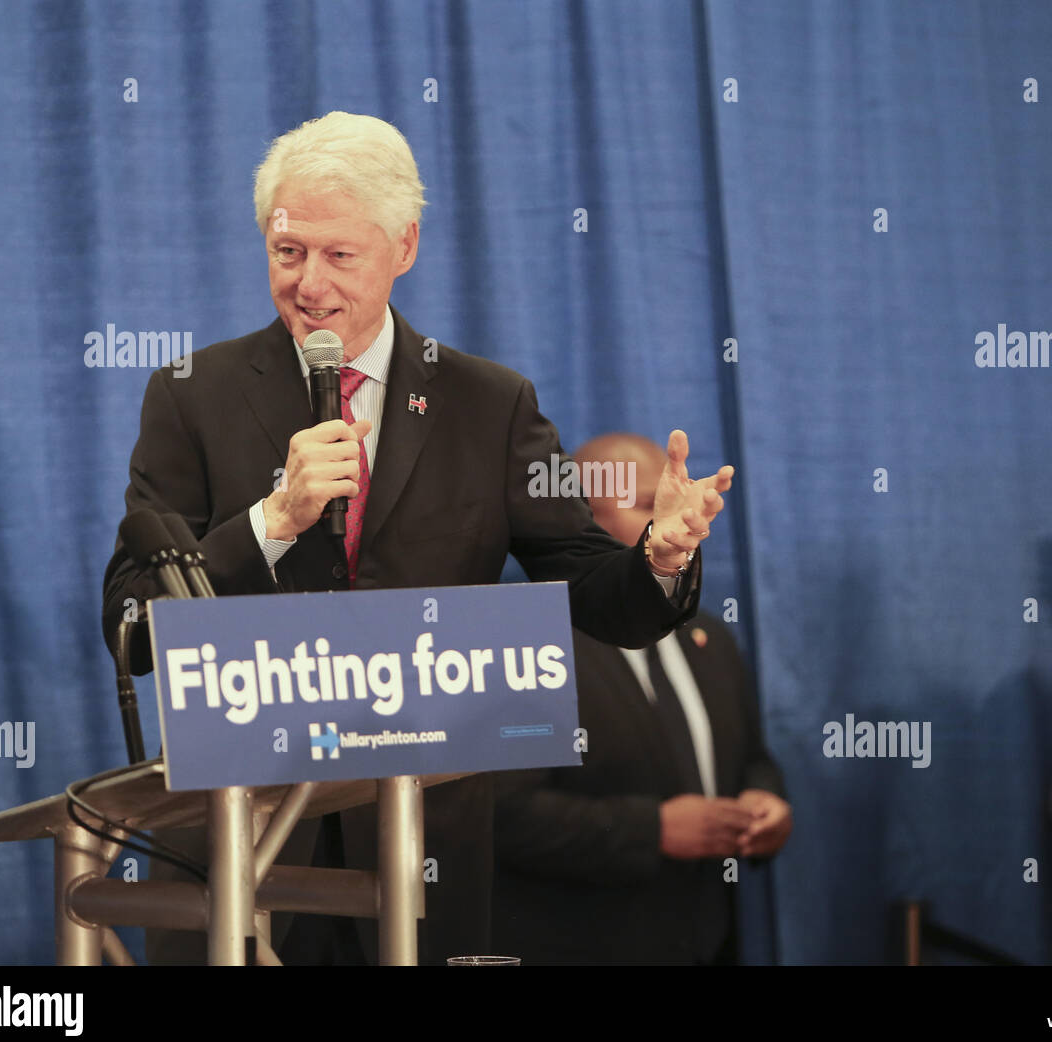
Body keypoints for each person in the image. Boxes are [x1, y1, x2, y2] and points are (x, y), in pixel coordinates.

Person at [100, 112, 735, 964]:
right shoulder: (191, 394)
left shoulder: (489, 402)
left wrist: (659, 559)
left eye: (339, 255)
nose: (310, 284)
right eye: (288, 253)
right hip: (238, 848)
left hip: (421, 850)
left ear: (404, 246)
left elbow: (591, 591)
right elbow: (131, 623)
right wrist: (271, 522)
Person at [491, 433, 790, 964]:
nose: (675, 520)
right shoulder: (525, 648)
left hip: (705, 938)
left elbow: (751, 762)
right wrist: (651, 830)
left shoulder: (709, 638)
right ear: (581, 522)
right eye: (651, 506)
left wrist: (764, 807)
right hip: (575, 943)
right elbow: (501, 815)